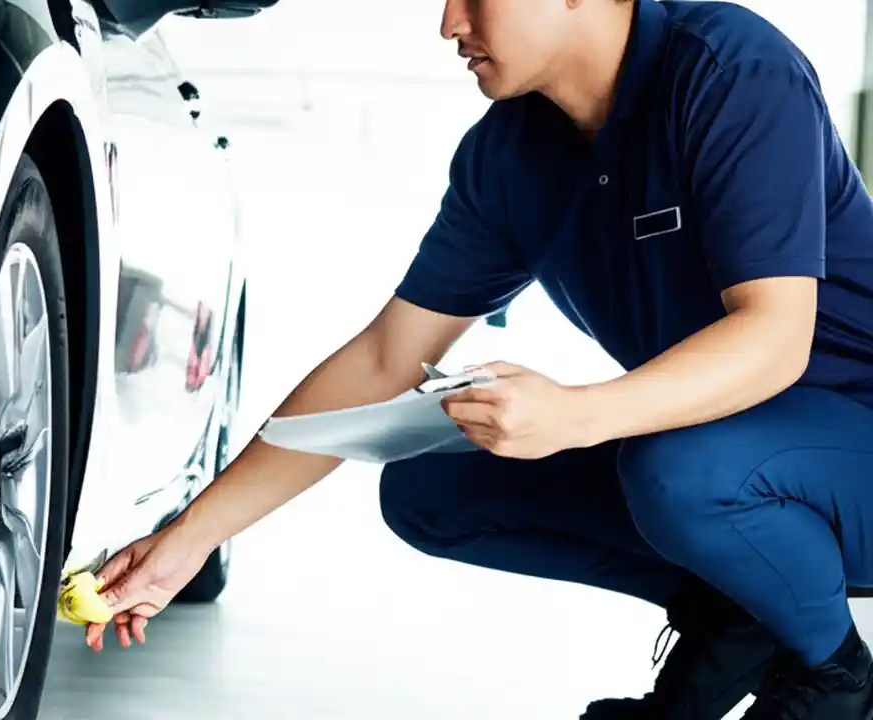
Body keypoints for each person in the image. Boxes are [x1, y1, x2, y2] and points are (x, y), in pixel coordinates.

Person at [84, 1, 873, 717]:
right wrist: (186, 541)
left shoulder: (731, 70)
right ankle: (745, 608)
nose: (450, 22)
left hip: (854, 445)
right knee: (431, 487)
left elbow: (774, 340)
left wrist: (575, 411)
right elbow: (387, 356)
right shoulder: (509, 155)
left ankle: (835, 678)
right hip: (732, 454)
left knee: (681, 470)